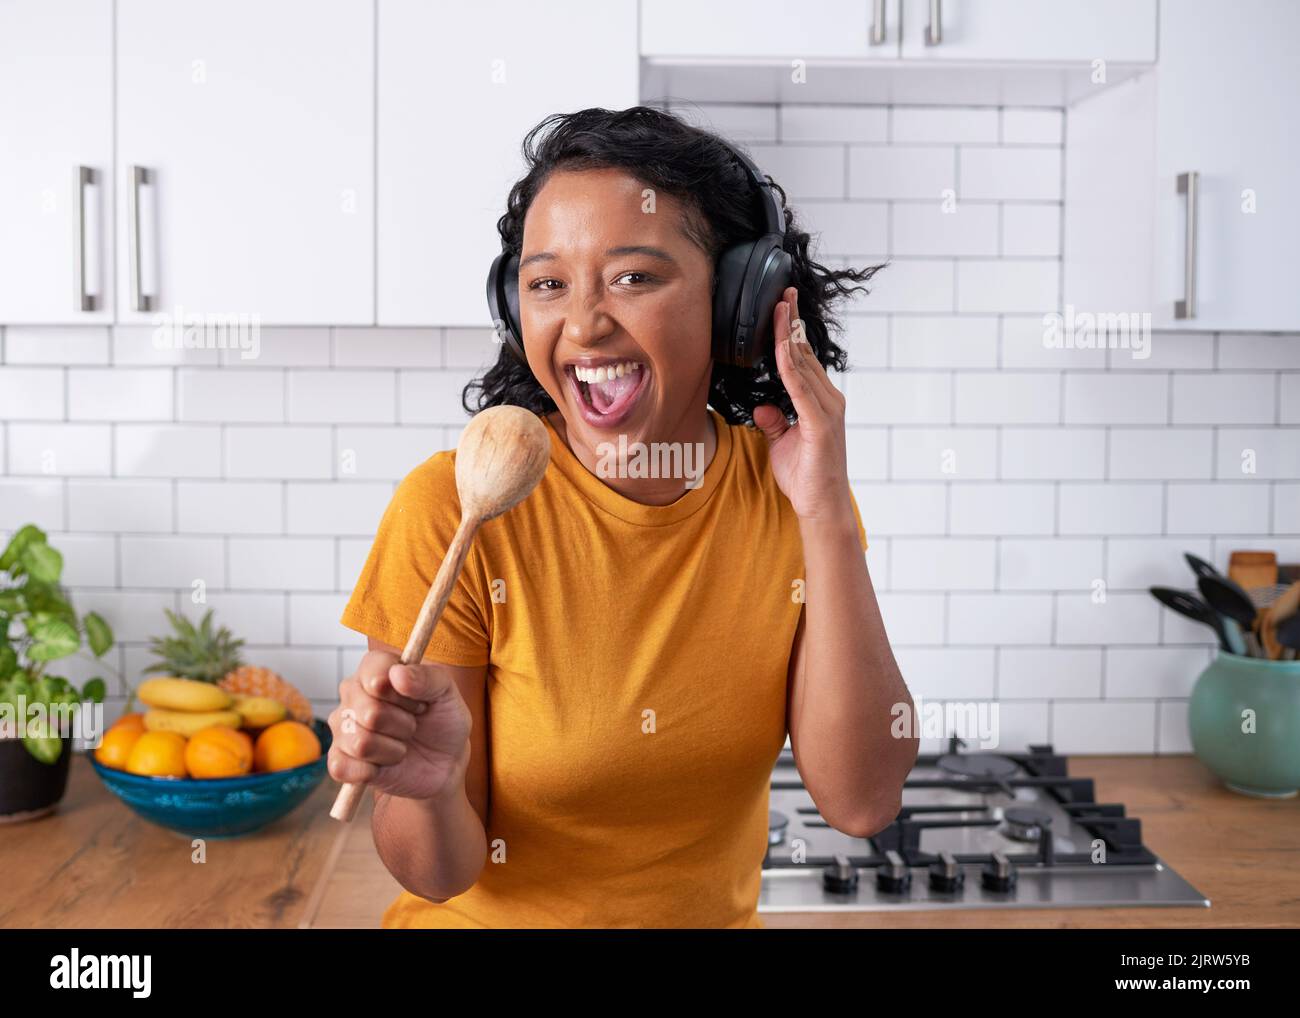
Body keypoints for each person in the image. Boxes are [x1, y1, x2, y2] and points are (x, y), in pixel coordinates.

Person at [329, 105, 917, 928]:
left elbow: (862, 801)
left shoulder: (793, 498)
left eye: (634, 276)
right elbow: (438, 875)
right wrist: (427, 785)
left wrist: (827, 514)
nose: (582, 324)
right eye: (547, 284)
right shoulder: (457, 506)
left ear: (738, 300)